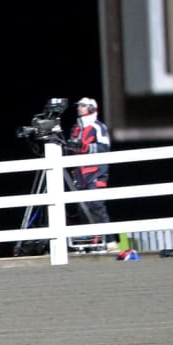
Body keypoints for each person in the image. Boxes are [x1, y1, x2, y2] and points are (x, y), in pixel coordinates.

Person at [67, 96, 113, 247]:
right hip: (79, 175)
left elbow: (104, 148)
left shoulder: (98, 127)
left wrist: (85, 148)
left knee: (96, 206)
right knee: (83, 209)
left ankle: (111, 242)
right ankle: (93, 243)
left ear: (92, 109)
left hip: (96, 172)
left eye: (83, 106)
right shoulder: (76, 128)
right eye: (79, 105)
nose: (79, 108)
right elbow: (70, 151)